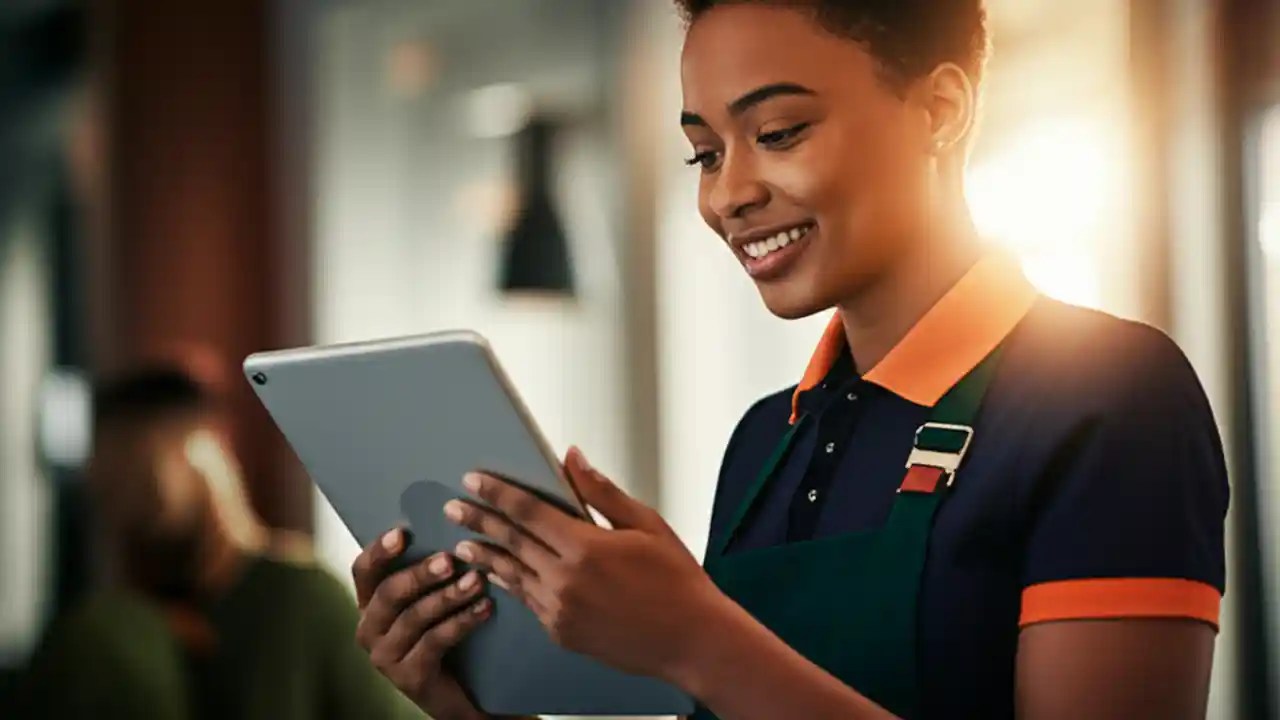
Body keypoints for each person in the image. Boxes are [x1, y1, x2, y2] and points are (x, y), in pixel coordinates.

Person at [348, 2, 1229, 719]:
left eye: (778, 132)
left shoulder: (1109, 394)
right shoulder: (769, 439)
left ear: (941, 110)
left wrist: (697, 639)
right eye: (705, 152)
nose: (728, 194)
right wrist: (473, 708)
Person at [18, 362, 420, 720]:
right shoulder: (128, 628)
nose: (121, 502)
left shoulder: (299, 597)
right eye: (108, 486)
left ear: (203, 447)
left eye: (138, 471)